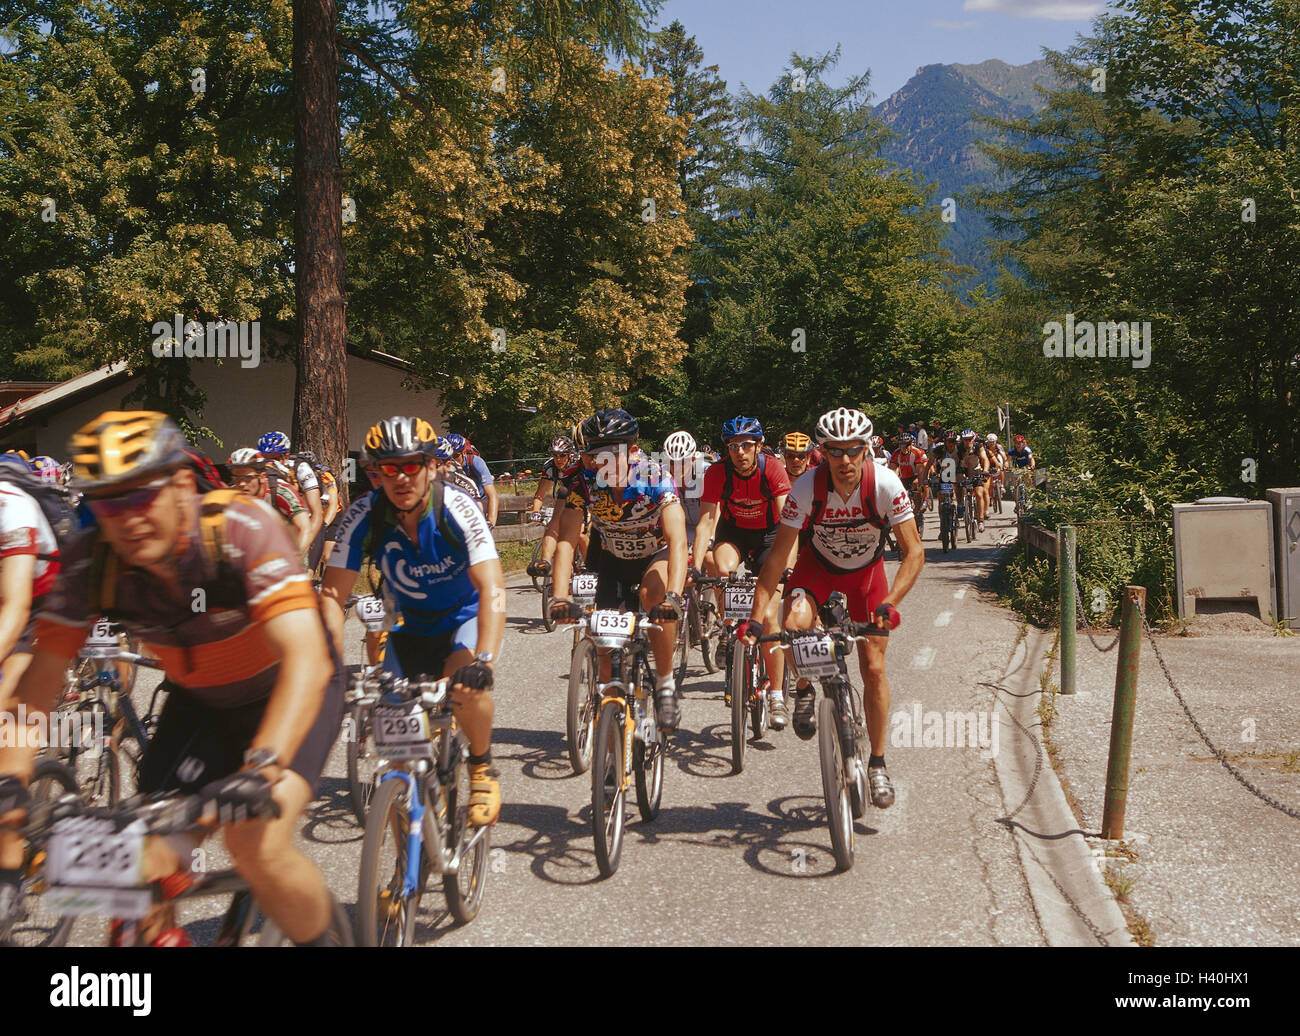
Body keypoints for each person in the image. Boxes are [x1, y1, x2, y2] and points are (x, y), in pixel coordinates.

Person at [0, 411, 348, 946]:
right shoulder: (91, 560)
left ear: (183, 485)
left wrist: (262, 767)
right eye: (108, 503)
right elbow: (39, 681)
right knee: (133, 852)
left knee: (255, 843)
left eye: (141, 496)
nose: (126, 518)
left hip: (288, 692)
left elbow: (306, 659)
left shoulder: (240, 528)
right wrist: (10, 784)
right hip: (199, 703)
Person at [320, 416, 505, 827]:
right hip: (408, 628)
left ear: (432, 467)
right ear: (377, 473)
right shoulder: (363, 514)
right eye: (389, 468)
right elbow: (332, 595)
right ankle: (402, 880)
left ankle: (481, 767)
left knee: (465, 688)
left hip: (463, 619)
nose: (401, 478)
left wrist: (485, 659)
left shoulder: (457, 507)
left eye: (411, 466)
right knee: (398, 759)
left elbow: (492, 586)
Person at [741, 407, 924, 809]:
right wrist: (757, 620)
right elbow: (776, 560)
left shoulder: (886, 485)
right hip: (817, 569)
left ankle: (877, 763)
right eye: (835, 451)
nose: (844, 461)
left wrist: (890, 604)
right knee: (793, 622)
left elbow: (914, 553)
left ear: (866, 449)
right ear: (821, 452)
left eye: (853, 450)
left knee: (873, 667)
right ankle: (803, 687)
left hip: (866, 576)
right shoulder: (806, 487)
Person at [546, 409, 688, 730]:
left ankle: (665, 684)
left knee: (656, 596)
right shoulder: (582, 481)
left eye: (608, 453)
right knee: (603, 644)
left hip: (655, 556)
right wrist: (558, 596)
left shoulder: (654, 477)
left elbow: (678, 540)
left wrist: (675, 597)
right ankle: (610, 724)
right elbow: (567, 540)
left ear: (633, 451)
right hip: (613, 559)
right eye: (591, 454)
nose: (597, 463)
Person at [692, 416, 794, 727]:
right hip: (734, 533)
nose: (740, 451)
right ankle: (728, 625)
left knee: (768, 616)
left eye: (747, 445)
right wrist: (694, 568)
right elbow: (706, 522)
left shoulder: (772, 468)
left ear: (759, 446)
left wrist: (789, 565)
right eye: (733, 446)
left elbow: (790, 521)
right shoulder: (717, 472)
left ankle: (776, 694)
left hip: (769, 537)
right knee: (721, 568)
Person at [258, 431, 327, 570]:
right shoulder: (259, 473)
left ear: (286, 457)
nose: (270, 463)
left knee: (305, 574)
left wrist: (307, 543)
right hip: (283, 525)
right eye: (265, 459)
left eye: (275, 458)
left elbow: (317, 513)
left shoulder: (301, 469)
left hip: (309, 521)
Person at [228, 448, 313, 553]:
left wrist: (295, 558)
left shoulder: (281, 492)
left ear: (262, 477)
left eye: (247, 478)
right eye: (236, 478)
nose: (241, 484)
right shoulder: (232, 496)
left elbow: (305, 529)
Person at [445, 434, 498, 527]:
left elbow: (492, 495)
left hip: (480, 499)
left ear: (463, 452)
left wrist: (491, 522)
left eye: (455, 455)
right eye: (448, 456)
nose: (451, 459)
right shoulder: (444, 465)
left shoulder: (476, 462)